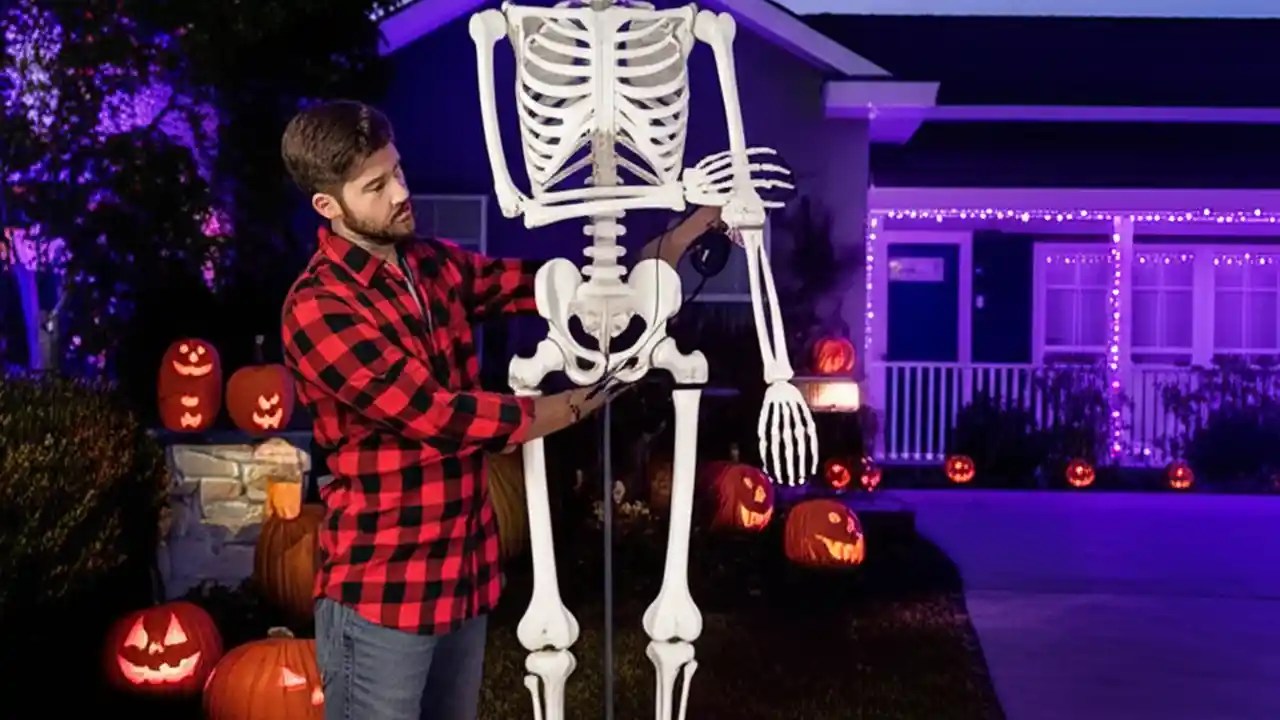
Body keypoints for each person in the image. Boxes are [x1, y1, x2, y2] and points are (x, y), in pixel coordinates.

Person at [278, 99, 722, 720]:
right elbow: (436, 415)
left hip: (462, 580)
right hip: (384, 592)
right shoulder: (317, 307)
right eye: (376, 186)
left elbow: (555, 287)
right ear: (328, 206)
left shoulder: (432, 266)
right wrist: (567, 407)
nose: (401, 192)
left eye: (398, 171)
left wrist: (666, 248)